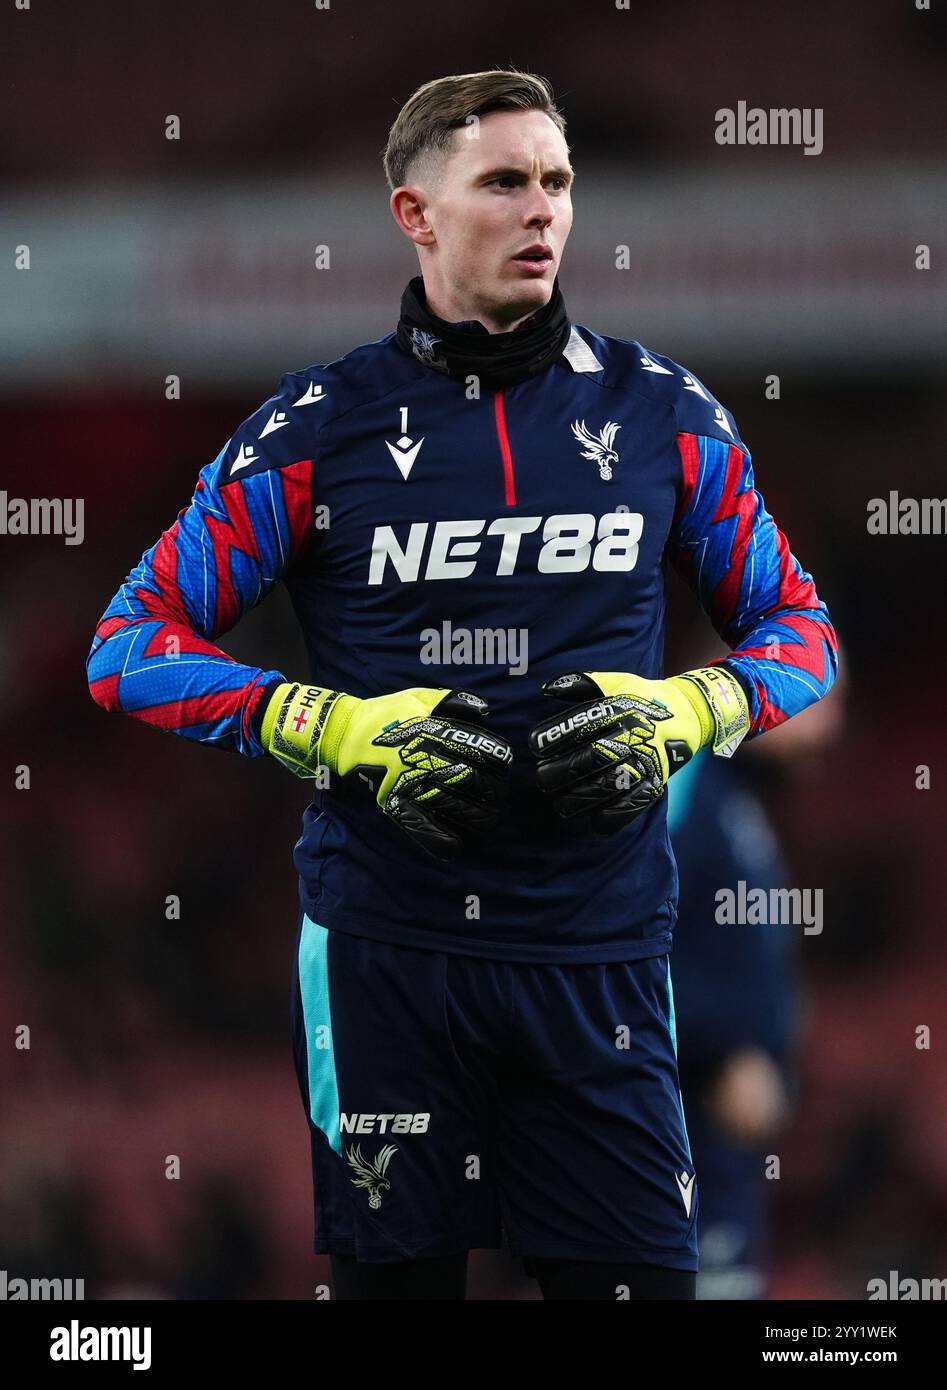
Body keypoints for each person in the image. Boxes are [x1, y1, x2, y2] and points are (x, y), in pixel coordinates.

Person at [86, 68, 839, 1301]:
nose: (541, 209)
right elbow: (127, 644)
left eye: (556, 183)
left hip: (596, 955)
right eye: (503, 182)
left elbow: (797, 629)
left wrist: (693, 706)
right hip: (388, 956)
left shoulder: (665, 415)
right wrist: (315, 722)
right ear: (415, 213)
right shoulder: (314, 429)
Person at [667, 642, 846, 1299]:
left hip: (717, 1128)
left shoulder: (733, 799)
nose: (830, 723)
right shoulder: (675, 782)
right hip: (672, 1121)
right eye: (816, 694)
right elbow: (613, 949)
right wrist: (723, 1052)